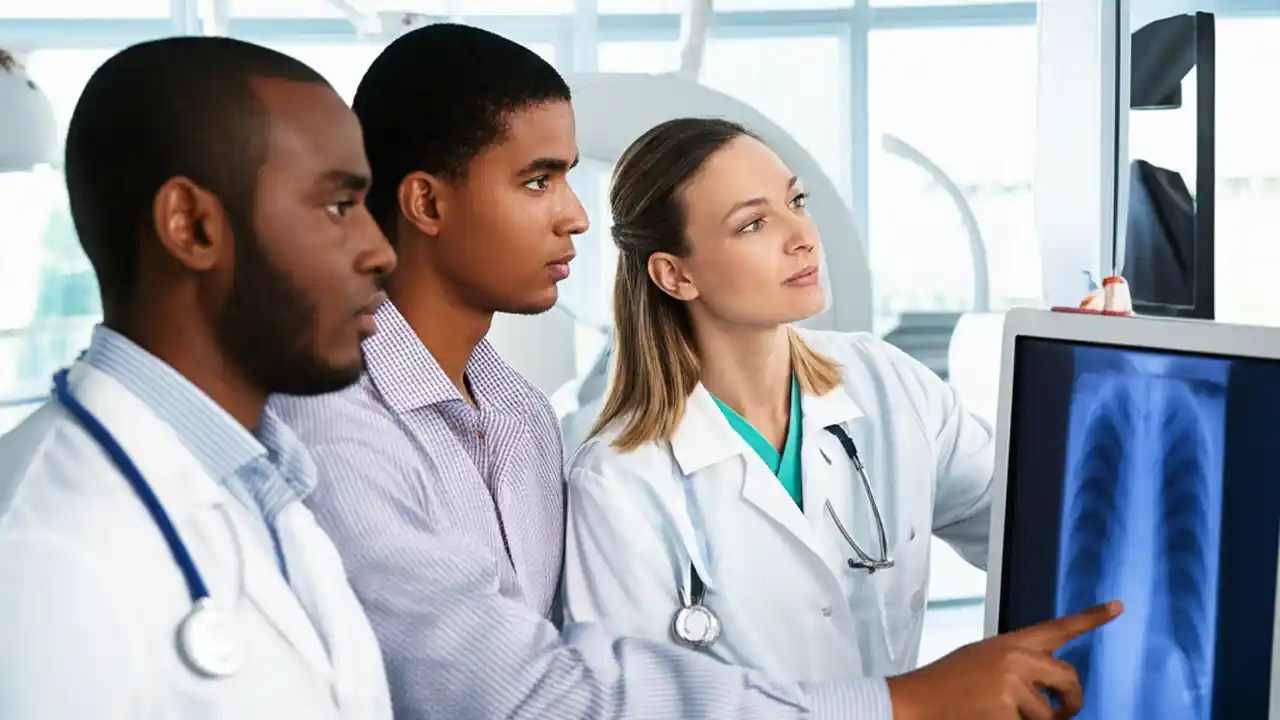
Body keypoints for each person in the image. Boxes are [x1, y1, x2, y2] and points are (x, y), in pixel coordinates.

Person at [272, 23, 1120, 720]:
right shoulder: (336, 420)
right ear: (426, 203)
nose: (573, 217)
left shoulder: (518, 414)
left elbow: (1030, 526)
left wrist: (1092, 404)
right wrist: (897, 703)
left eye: (796, 203)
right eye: (538, 181)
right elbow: (520, 692)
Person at [0, 37, 396, 719]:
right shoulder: (37, 554)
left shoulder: (265, 484)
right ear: (192, 227)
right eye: (339, 206)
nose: (381, 251)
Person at [561, 115, 991, 680]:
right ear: (675, 275)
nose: (802, 237)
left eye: (797, 201)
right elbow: (627, 704)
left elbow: (1026, 528)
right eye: (753, 224)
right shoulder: (619, 482)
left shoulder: (887, 383)